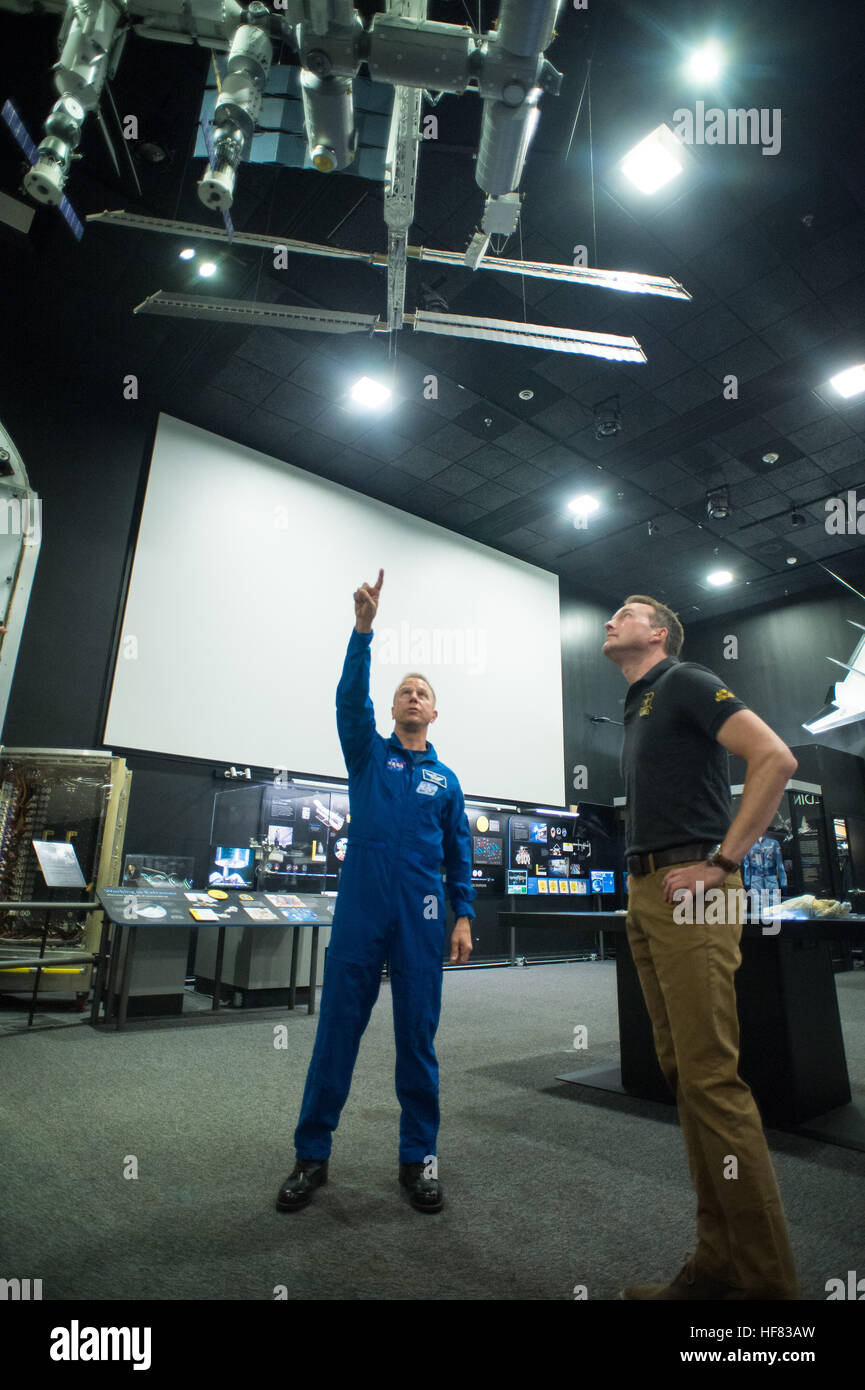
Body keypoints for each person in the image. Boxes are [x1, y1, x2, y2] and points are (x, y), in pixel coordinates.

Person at [603, 594, 799, 1301]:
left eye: (626, 611)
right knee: (685, 1076)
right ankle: (717, 1265)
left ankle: (773, 1298)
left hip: (697, 887)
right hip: (650, 893)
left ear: (657, 633)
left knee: (710, 1078)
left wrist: (721, 862)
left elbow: (773, 759)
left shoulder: (683, 679)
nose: (609, 619)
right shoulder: (636, 706)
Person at [277, 568, 474, 1214]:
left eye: (422, 691)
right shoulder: (367, 756)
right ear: (392, 709)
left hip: (420, 922)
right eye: (403, 691)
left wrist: (462, 915)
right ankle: (312, 1157)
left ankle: (417, 1162)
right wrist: (362, 630)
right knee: (336, 1032)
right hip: (361, 915)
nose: (412, 697)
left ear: (434, 710)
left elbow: (458, 857)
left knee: (417, 1042)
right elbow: (346, 701)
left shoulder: (445, 783)